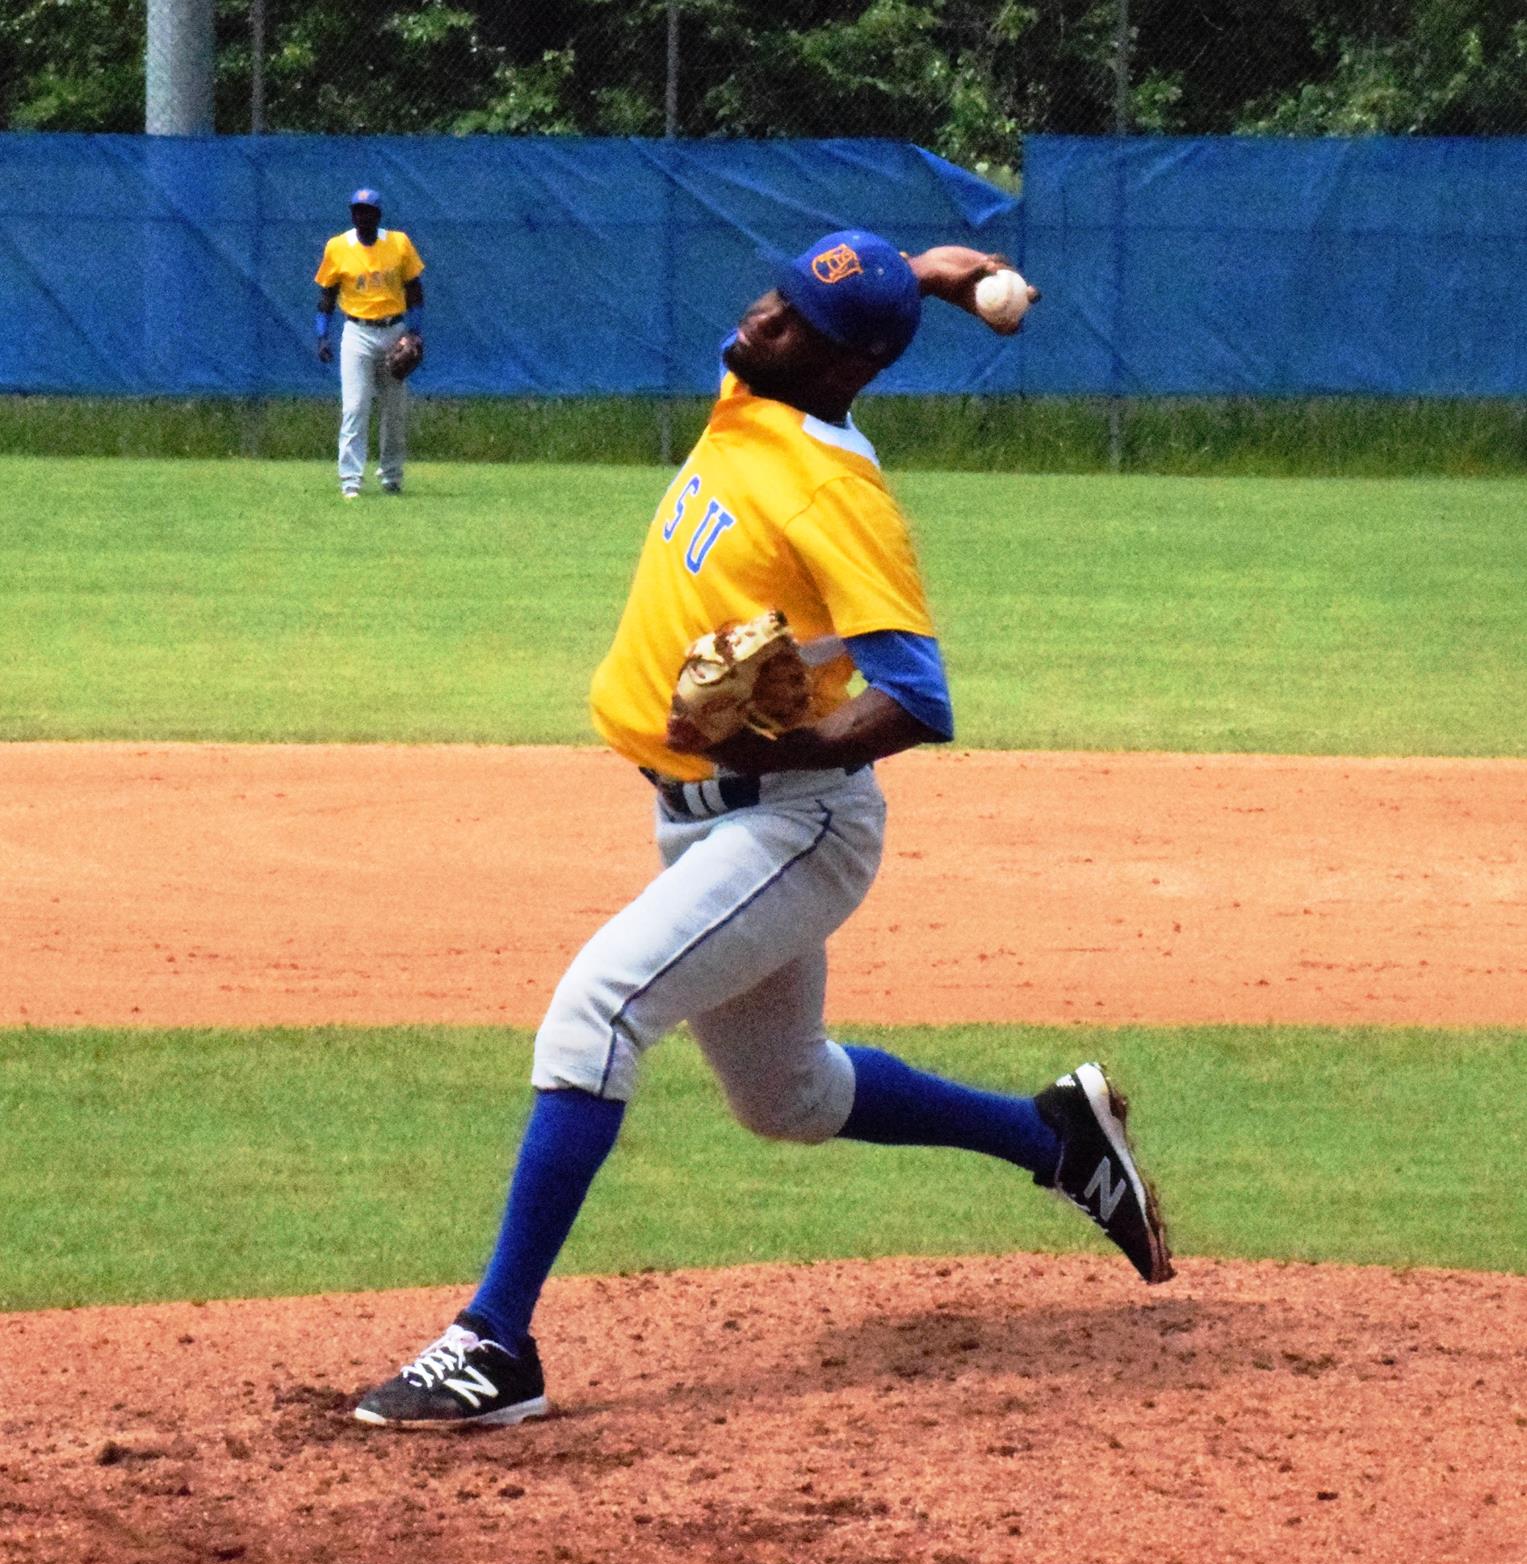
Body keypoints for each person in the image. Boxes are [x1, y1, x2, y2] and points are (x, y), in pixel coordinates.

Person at [353, 230, 1173, 1430]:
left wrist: (784, 751)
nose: (759, 323)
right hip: (700, 820)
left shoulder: (839, 493)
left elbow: (919, 698)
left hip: (795, 824)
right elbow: (872, 282)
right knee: (785, 1095)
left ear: (842, 370)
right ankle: (1052, 1139)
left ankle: (496, 1343)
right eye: (775, 298)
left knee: (600, 1009)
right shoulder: (761, 379)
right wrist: (936, 278)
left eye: (793, 324)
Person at [313, 187, 425, 499]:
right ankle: (350, 480)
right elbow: (327, 296)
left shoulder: (398, 243)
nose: (362, 216)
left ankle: (391, 476)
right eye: (357, 210)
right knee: (355, 406)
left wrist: (414, 333)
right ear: (352, 215)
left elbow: (415, 289)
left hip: (393, 330)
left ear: (378, 215)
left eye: (368, 211)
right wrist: (322, 335)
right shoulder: (338, 247)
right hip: (357, 333)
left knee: (394, 410)